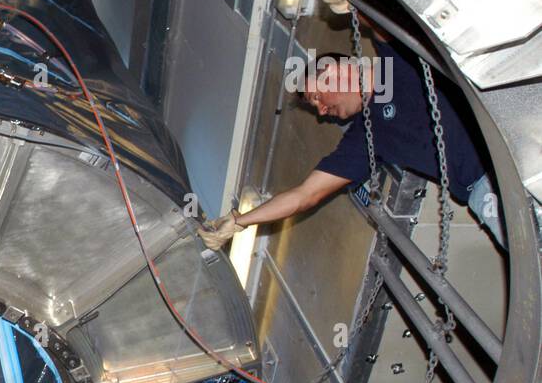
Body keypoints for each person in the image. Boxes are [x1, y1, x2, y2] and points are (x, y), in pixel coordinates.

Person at [199, 36, 505, 252]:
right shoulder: (366, 136)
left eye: (317, 98)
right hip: (484, 189)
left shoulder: (395, 62)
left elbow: (379, 9)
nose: (320, 111)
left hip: (506, 139)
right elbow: (306, 195)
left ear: (333, 71)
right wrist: (238, 222)